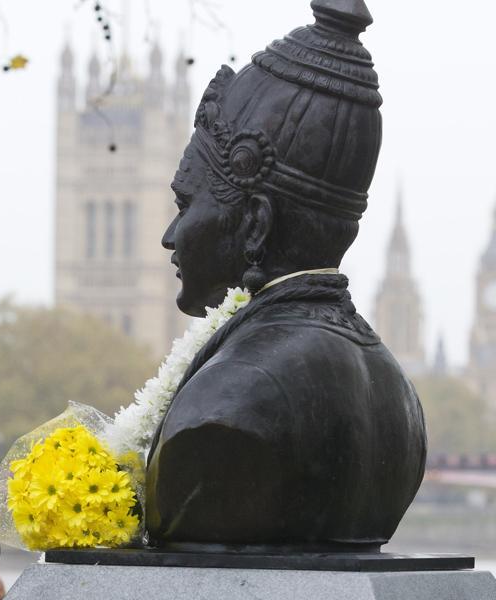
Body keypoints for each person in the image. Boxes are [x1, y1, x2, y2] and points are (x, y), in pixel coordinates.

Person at [145, 0, 426, 549]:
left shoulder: (233, 401)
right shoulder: (402, 401)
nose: (171, 235)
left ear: (254, 225)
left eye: (187, 203)